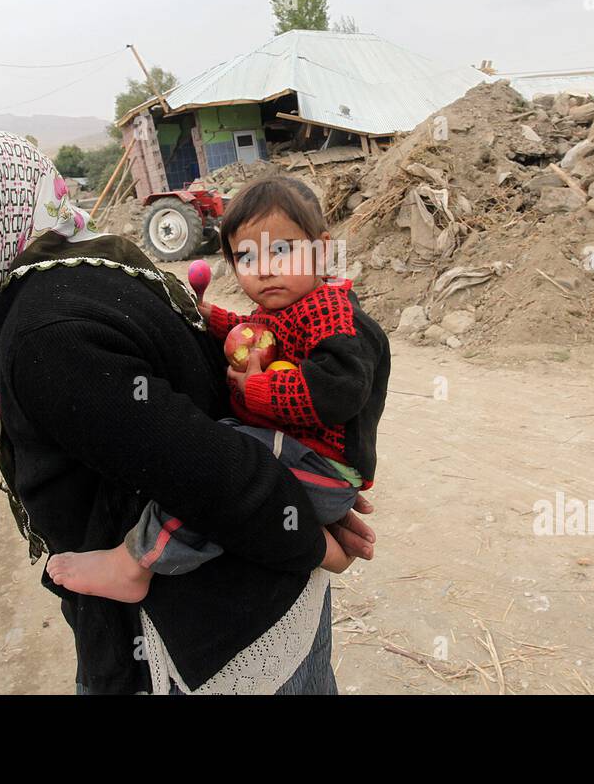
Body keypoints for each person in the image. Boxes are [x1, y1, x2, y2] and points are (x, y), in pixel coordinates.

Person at [0, 130, 376, 694]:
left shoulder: (50, 334)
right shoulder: (99, 264)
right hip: (270, 603)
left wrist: (311, 540)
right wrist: (304, 501)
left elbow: (210, 467)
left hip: (216, 645)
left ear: (6, 205)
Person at [46, 176, 390, 605]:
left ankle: (135, 565)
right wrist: (215, 319)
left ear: (322, 250)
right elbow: (257, 334)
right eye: (246, 256)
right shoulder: (285, 308)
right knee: (218, 442)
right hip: (303, 459)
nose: (264, 269)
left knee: (215, 466)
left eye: (281, 250)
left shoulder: (333, 314)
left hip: (326, 468)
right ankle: (321, 542)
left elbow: (340, 390)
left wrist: (260, 388)